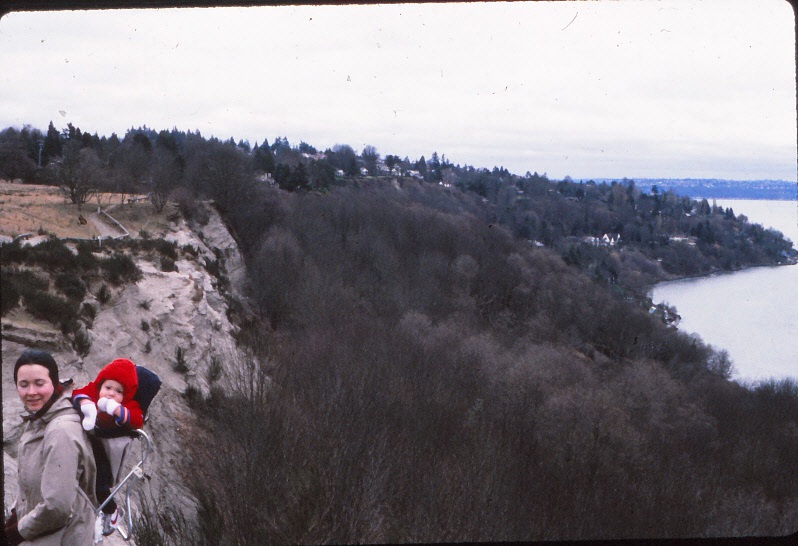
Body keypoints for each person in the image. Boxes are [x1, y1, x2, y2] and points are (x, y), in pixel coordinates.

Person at [4, 349, 97, 545]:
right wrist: (15, 514)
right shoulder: (39, 421)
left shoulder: (61, 430)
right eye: (23, 385)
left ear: (54, 383)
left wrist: (14, 533)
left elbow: (57, 507)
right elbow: (32, 486)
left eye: (39, 384)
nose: (31, 392)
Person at [71, 357, 143, 536]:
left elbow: (137, 420)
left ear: (125, 395)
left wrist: (116, 409)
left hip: (108, 449)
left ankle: (111, 510)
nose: (111, 394)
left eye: (118, 391)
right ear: (100, 385)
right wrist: (86, 403)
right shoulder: (94, 392)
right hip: (90, 440)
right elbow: (77, 392)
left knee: (99, 485)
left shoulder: (128, 405)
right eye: (108, 388)